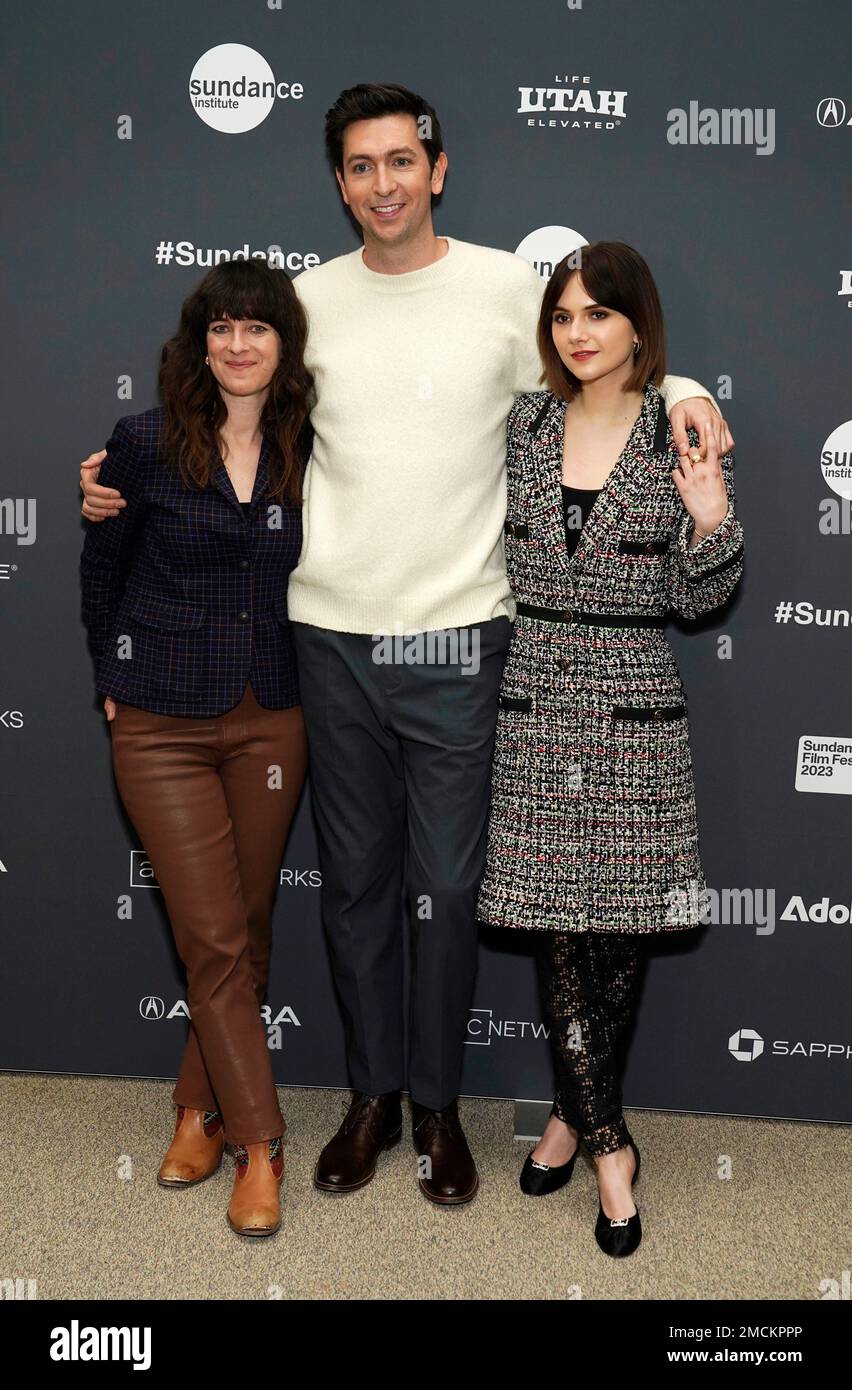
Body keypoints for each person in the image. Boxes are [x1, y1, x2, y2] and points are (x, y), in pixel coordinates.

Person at [79, 82, 734, 1209]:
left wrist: (686, 394)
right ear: (339, 183)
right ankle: (371, 1097)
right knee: (357, 890)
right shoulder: (307, 300)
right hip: (327, 636)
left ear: (435, 170)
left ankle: (437, 1106)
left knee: (444, 884)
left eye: (400, 162)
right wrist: (116, 484)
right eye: (359, 166)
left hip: (466, 639)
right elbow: (216, 393)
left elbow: (600, 351)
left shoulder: (504, 287)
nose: (382, 183)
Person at [475, 241, 744, 1255]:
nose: (578, 332)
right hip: (538, 695)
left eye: (598, 314)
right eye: (564, 316)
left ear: (639, 324)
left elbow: (694, 596)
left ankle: (569, 1116)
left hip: (635, 701)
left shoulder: (677, 430)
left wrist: (711, 519)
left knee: (620, 936)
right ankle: (611, 1142)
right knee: (555, 928)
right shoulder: (527, 421)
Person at [79, 258, 313, 1237]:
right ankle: (261, 1143)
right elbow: (103, 568)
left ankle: (196, 1106)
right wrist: (110, 680)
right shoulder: (142, 443)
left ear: (284, 344)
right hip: (162, 722)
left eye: (258, 326)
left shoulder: (315, 444)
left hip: (271, 715)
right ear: (198, 340)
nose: (239, 342)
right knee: (214, 937)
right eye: (221, 325)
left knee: (244, 926)